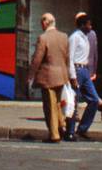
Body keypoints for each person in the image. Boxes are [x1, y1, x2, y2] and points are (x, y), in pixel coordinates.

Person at [28, 12, 74, 143]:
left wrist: (31, 75)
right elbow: (67, 57)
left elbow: (37, 59)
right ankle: (62, 126)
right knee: (59, 104)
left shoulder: (43, 38)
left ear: (44, 23)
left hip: (48, 76)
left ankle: (54, 134)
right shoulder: (64, 36)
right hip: (62, 75)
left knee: (50, 106)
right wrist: (68, 75)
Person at [66, 12, 102, 140]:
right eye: (89, 24)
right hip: (77, 70)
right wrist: (72, 76)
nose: (91, 26)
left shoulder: (85, 37)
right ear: (83, 24)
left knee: (94, 100)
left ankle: (82, 129)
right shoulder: (75, 37)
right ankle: (70, 132)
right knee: (73, 101)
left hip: (85, 71)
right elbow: (69, 58)